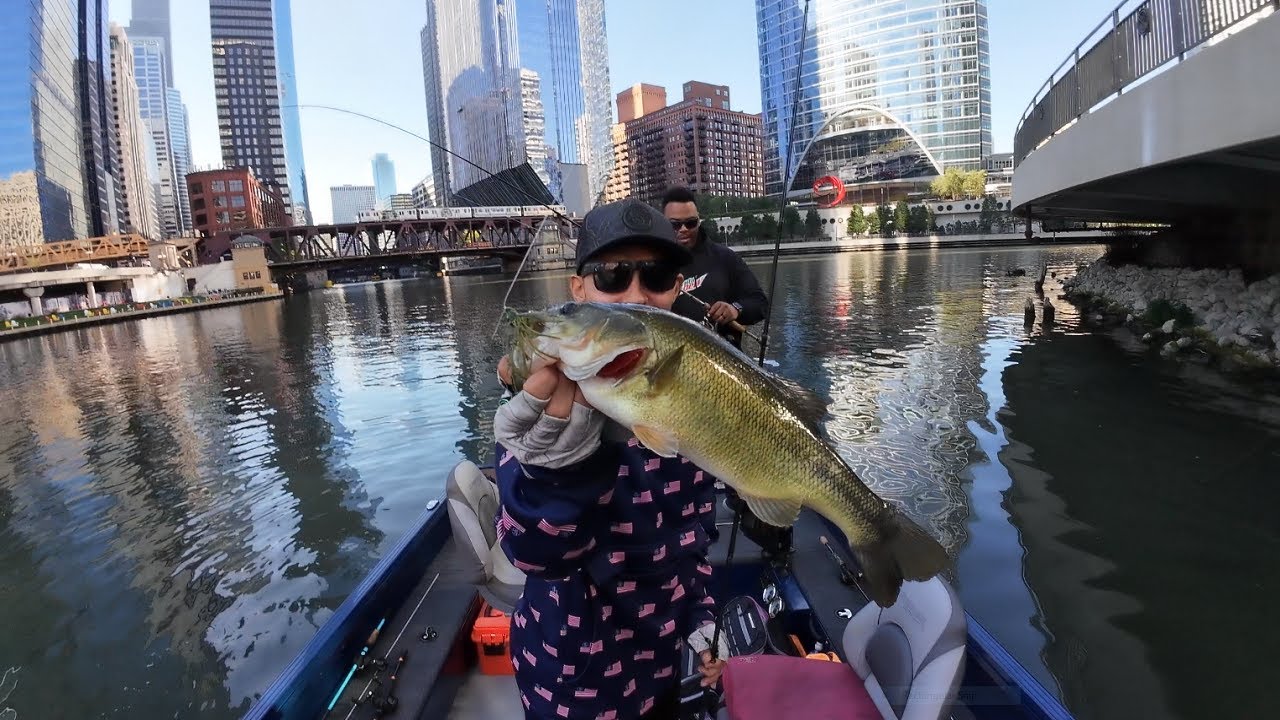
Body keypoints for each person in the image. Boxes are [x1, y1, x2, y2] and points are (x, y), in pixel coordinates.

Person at [493, 198, 728, 720]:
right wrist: (560, 473)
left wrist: (703, 620)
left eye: (658, 277)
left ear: (678, 287)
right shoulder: (536, 406)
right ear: (579, 289)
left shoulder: (691, 402)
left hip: (663, 663)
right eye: (613, 276)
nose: (636, 297)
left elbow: (694, 534)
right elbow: (534, 555)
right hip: (573, 682)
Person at [662, 187, 769, 348]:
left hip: (722, 361)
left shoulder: (726, 258)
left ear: (698, 221)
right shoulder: (651, 265)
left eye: (690, 223)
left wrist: (735, 309)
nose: (683, 229)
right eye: (675, 224)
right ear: (662, 222)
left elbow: (759, 302)